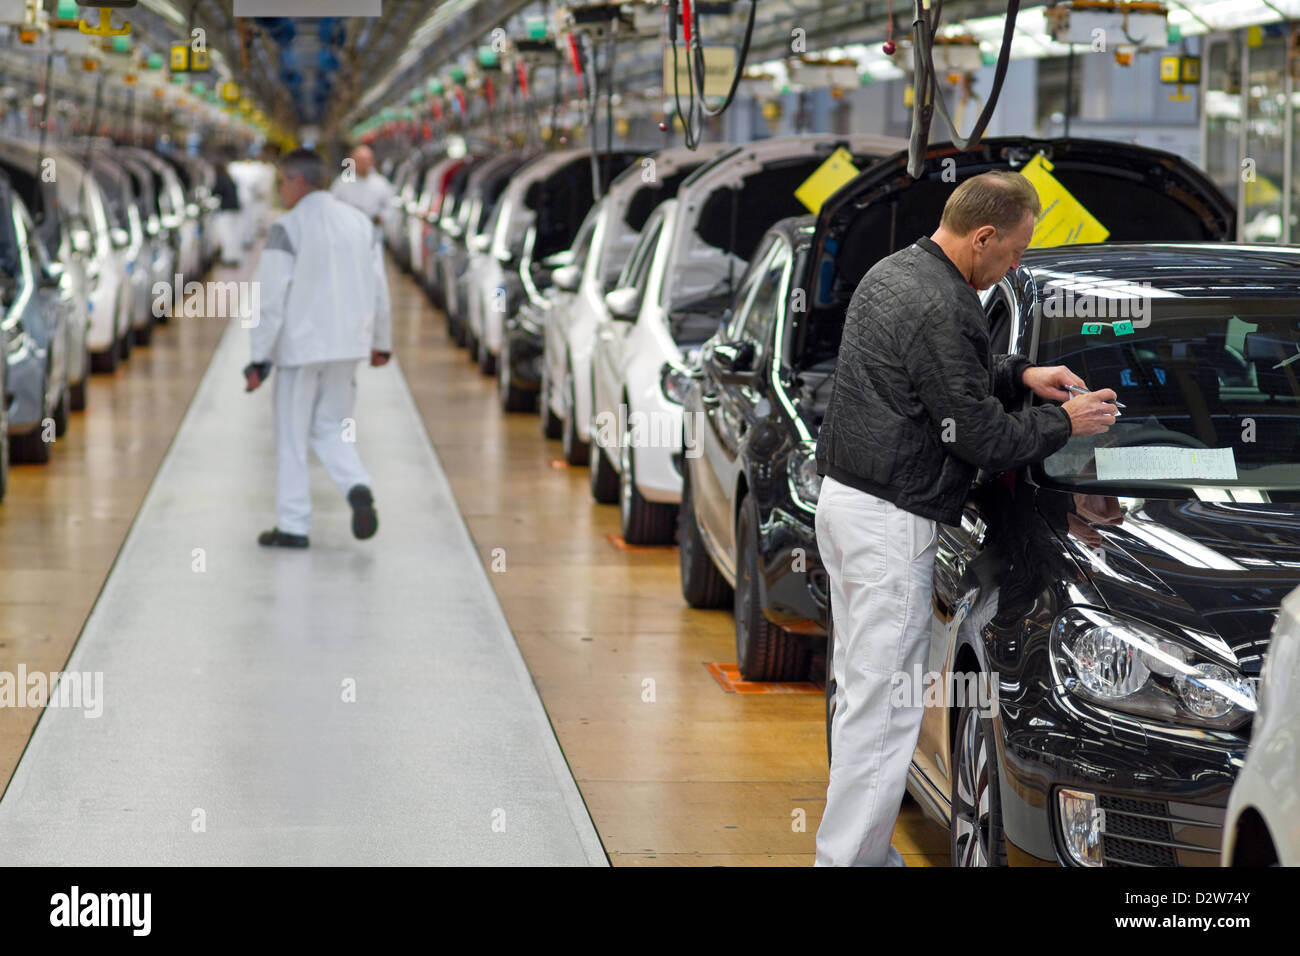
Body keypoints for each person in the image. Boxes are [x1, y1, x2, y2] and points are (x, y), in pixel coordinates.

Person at [813, 170, 1119, 866]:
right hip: (889, 520)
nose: (1015, 264)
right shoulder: (942, 304)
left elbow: (942, 373)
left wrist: (1018, 376)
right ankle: (849, 862)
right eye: (1014, 252)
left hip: (852, 504)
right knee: (886, 709)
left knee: (864, 694)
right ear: (983, 236)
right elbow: (978, 436)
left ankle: (854, 854)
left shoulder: (898, 273)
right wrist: (1063, 420)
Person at [244, 148, 393, 549]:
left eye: (281, 182)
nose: (279, 190)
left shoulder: (287, 228)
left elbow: (271, 299)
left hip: (301, 349)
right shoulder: (360, 224)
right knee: (331, 427)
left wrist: (259, 357)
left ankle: (293, 524)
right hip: (348, 346)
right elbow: (378, 284)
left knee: (292, 436)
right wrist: (382, 341)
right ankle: (357, 484)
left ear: (296, 181)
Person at [329, 144, 394, 241]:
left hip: (374, 236)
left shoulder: (381, 183)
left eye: (365, 160)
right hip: (347, 235)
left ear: (371, 161)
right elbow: (330, 205)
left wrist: (380, 217)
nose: (362, 164)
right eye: (359, 160)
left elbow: (391, 206)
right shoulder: (342, 182)